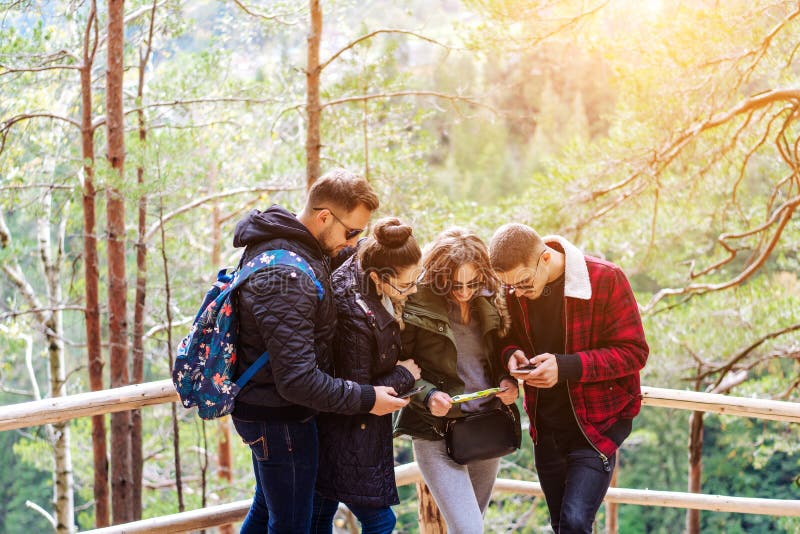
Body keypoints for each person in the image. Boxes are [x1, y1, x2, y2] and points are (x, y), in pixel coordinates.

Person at [231, 169, 409, 534]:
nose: (352, 242)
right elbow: (297, 380)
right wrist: (366, 398)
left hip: (267, 411)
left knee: (267, 512)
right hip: (280, 419)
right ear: (324, 216)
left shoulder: (289, 247)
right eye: (352, 232)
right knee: (293, 524)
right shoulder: (287, 275)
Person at [488, 223, 649, 534]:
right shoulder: (515, 289)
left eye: (523, 282)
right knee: (562, 525)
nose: (518, 292)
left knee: (575, 523)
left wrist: (566, 367)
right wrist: (511, 354)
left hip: (596, 428)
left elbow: (634, 353)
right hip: (545, 429)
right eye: (511, 287)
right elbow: (505, 338)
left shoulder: (606, 279)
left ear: (545, 258)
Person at [393, 227, 520, 534]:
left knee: (470, 526)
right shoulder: (415, 301)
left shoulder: (492, 299)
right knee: (469, 530)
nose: (464, 292)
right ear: (438, 275)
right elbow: (396, 367)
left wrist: (507, 380)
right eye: (454, 284)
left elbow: (499, 353)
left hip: (486, 426)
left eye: (472, 283)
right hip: (434, 429)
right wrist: (428, 395)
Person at [311, 217, 423, 534]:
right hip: (345, 433)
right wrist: (404, 375)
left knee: (319, 516)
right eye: (406, 284)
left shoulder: (371, 255)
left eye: (418, 278)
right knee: (380, 521)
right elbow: (358, 393)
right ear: (377, 277)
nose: (413, 290)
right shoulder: (352, 313)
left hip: (346, 433)